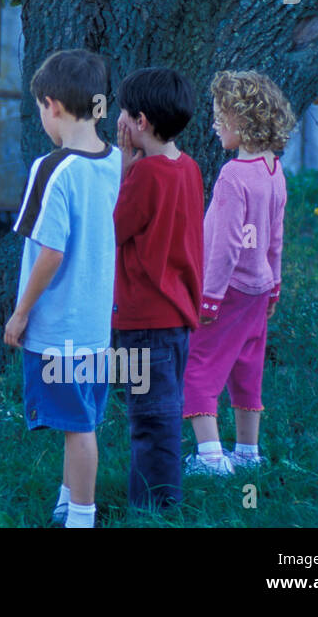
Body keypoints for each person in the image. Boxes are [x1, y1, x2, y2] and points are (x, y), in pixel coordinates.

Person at [4, 49, 121, 528]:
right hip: (97, 324)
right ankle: (67, 498)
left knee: (79, 427)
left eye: (39, 108)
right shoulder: (118, 162)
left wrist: (20, 312)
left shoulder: (51, 169)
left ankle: (81, 516)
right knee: (80, 419)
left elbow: (49, 252)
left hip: (60, 325)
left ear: (51, 104)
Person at [183, 70, 294, 475]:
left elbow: (226, 246)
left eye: (219, 116)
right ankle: (248, 454)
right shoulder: (273, 169)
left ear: (243, 121)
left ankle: (211, 458)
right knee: (247, 364)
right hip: (259, 289)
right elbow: (275, 239)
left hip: (227, 291)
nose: (214, 124)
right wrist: (275, 286)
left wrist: (208, 299)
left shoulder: (233, 176)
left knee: (198, 363)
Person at [112, 67, 205, 510]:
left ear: (140, 122)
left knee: (150, 421)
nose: (120, 120)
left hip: (145, 318)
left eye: (124, 114)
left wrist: (123, 170)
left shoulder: (145, 177)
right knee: (163, 413)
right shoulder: (188, 168)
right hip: (177, 316)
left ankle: (155, 510)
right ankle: (154, 504)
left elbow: (112, 229)